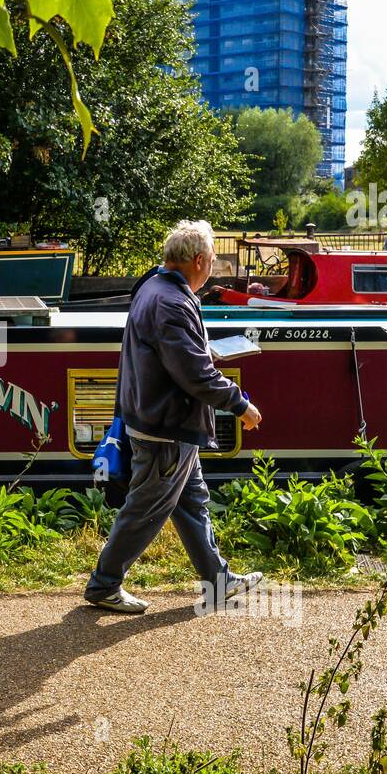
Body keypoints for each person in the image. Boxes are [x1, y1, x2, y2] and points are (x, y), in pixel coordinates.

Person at [86, 221, 265, 614]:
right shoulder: (173, 303)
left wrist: (202, 349)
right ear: (199, 260)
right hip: (165, 427)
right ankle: (104, 585)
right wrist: (240, 404)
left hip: (160, 420)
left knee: (192, 501)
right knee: (145, 509)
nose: (213, 267)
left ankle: (218, 581)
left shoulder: (155, 287)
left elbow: (175, 356)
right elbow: (195, 375)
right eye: (213, 260)